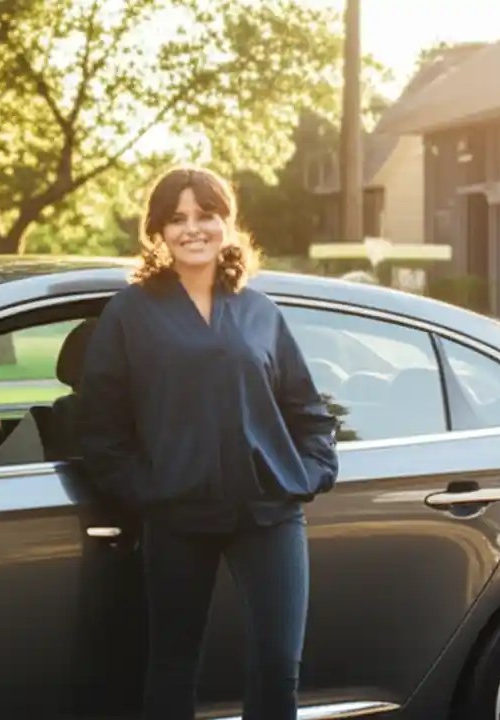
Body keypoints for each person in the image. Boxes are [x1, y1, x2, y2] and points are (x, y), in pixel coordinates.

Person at [78, 166, 339, 719]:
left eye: (206, 216)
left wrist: (310, 472)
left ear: (227, 223)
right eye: (178, 219)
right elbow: (101, 427)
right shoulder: (130, 313)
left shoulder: (259, 311)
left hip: (268, 513)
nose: (193, 229)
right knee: (172, 668)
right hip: (177, 515)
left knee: (277, 666)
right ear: (158, 231)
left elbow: (307, 409)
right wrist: (149, 489)